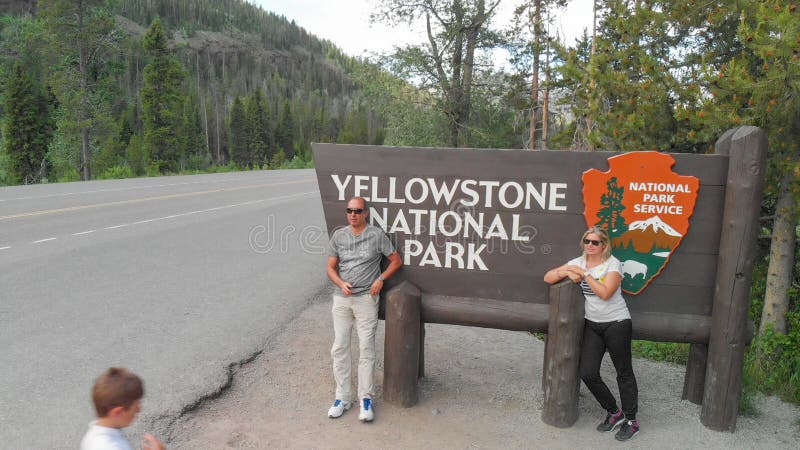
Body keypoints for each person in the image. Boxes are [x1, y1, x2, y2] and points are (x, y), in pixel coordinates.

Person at [543, 226, 640, 441]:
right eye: (587, 241)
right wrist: (566, 271)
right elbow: (548, 277)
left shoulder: (612, 264)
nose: (590, 245)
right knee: (588, 372)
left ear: (604, 245)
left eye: (595, 242)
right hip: (593, 325)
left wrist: (585, 274)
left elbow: (605, 293)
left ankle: (632, 421)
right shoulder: (577, 262)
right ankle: (615, 412)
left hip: (617, 322)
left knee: (623, 372)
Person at [326, 196, 402, 422]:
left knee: (366, 349)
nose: (353, 214)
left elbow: (396, 260)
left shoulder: (376, 235)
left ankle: (365, 399)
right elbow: (330, 267)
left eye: (358, 211)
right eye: (350, 210)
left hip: (366, 300)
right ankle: (342, 397)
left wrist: (381, 279)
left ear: (366, 213)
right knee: (339, 348)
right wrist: (340, 283)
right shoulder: (339, 236)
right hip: (342, 299)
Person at [80, 367, 165, 450]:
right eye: (135, 407)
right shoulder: (111, 447)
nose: (139, 410)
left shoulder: (92, 435)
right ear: (117, 412)